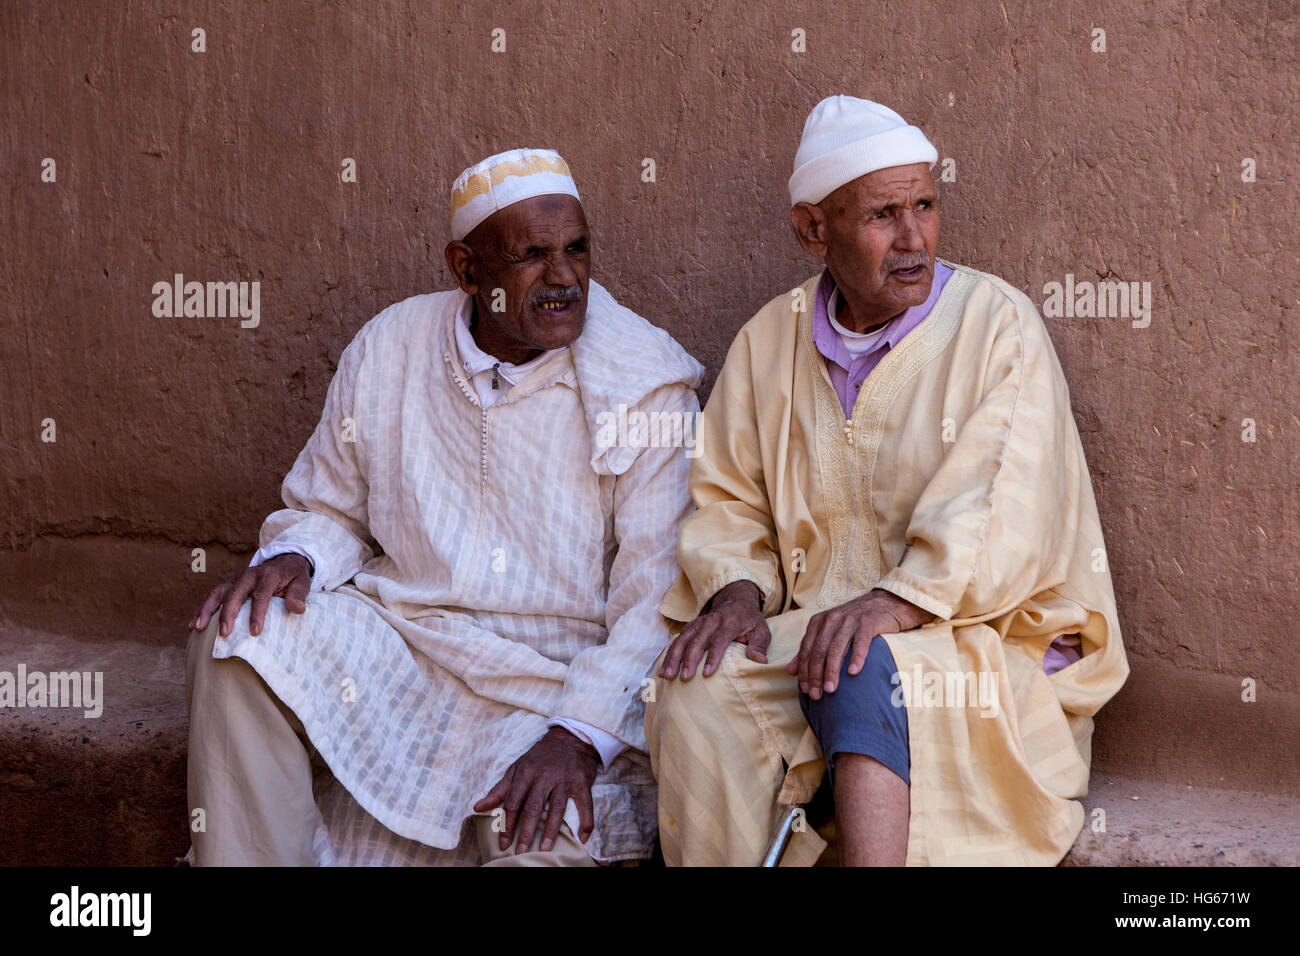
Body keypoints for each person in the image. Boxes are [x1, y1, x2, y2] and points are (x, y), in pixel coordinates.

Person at [646, 96, 1129, 866]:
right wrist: (736, 589)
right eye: (883, 216)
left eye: (925, 206)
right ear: (813, 230)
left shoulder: (995, 326)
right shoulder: (769, 339)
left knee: (861, 664)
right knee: (695, 691)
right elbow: (729, 498)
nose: (914, 239)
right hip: (821, 634)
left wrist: (891, 604)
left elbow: (1000, 504)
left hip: (980, 643)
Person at [186, 147, 703, 865]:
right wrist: (299, 554)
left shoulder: (646, 386)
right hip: (403, 649)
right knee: (239, 637)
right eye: (533, 255)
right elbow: (330, 506)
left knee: (546, 832)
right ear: (466, 270)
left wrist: (579, 736)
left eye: (577, 249)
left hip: (546, 685)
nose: (564, 277)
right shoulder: (391, 345)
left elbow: (658, 599)